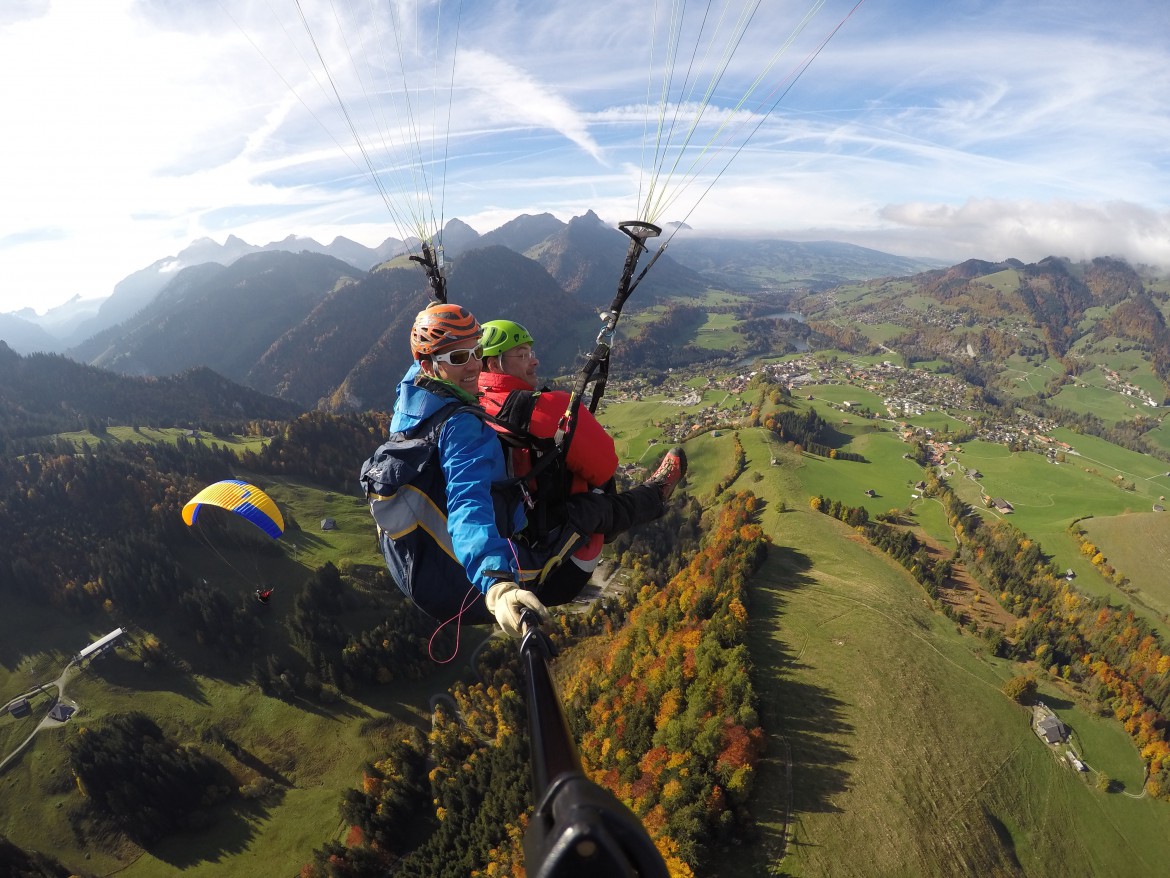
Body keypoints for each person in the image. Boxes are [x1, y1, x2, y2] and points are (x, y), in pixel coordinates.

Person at [364, 303, 685, 639]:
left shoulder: (413, 398)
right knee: (589, 511)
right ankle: (655, 496)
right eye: (459, 359)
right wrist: (497, 583)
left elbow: (425, 364)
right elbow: (467, 501)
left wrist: (435, 317)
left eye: (475, 352)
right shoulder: (462, 426)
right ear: (428, 364)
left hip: (419, 562)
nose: (472, 364)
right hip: (471, 580)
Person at [478, 318, 684, 602]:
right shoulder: (547, 409)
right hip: (558, 563)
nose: (534, 362)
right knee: (595, 502)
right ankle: (656, 494)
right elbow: (605, 465)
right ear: (494, 364)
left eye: (532, 353)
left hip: (500, 554)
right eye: (523, 354)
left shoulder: (466, 404)